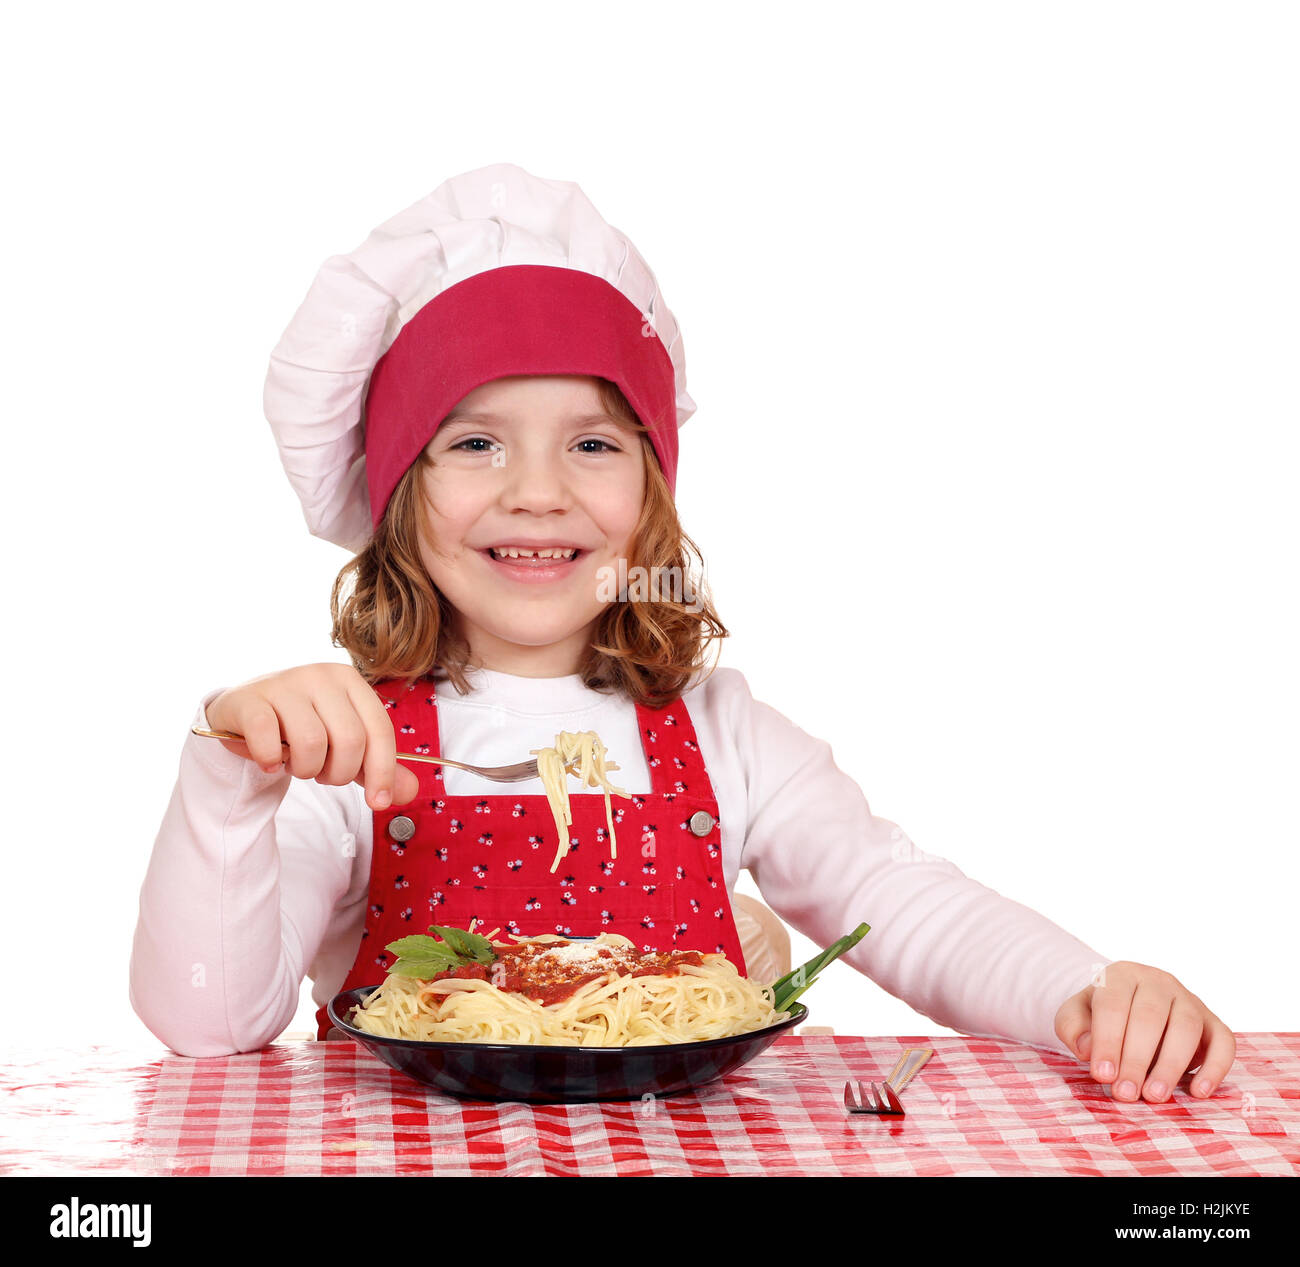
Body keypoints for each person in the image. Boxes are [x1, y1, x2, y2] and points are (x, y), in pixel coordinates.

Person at [129, 163, 1234, 1106]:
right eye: (473, 443)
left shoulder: (725, 733)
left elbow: (901, 901)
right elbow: (207, 1024)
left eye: (595, 444)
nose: (538, 492)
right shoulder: (348, 750)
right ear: (394, 496)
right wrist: (229, 772)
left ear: (654, 494)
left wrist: (1085, 993)